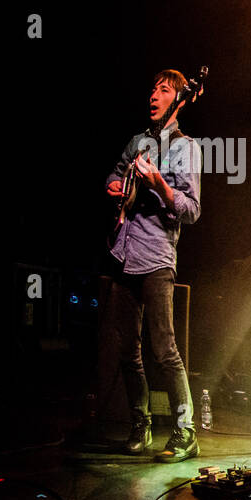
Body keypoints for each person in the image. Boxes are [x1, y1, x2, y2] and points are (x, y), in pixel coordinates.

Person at [104, 70, 202, 462]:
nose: (154, 94)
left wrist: (159, 183)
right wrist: (113, 185)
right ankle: (139, 424)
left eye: (163, 90)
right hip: (121, 253)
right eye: (152, 88)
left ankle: (185, 431)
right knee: (127, 349)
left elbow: (191, 209)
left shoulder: (186, 146)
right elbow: (114, 174)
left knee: (163, 350)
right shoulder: (138, 142)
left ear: (178, 98)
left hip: (157, 257)